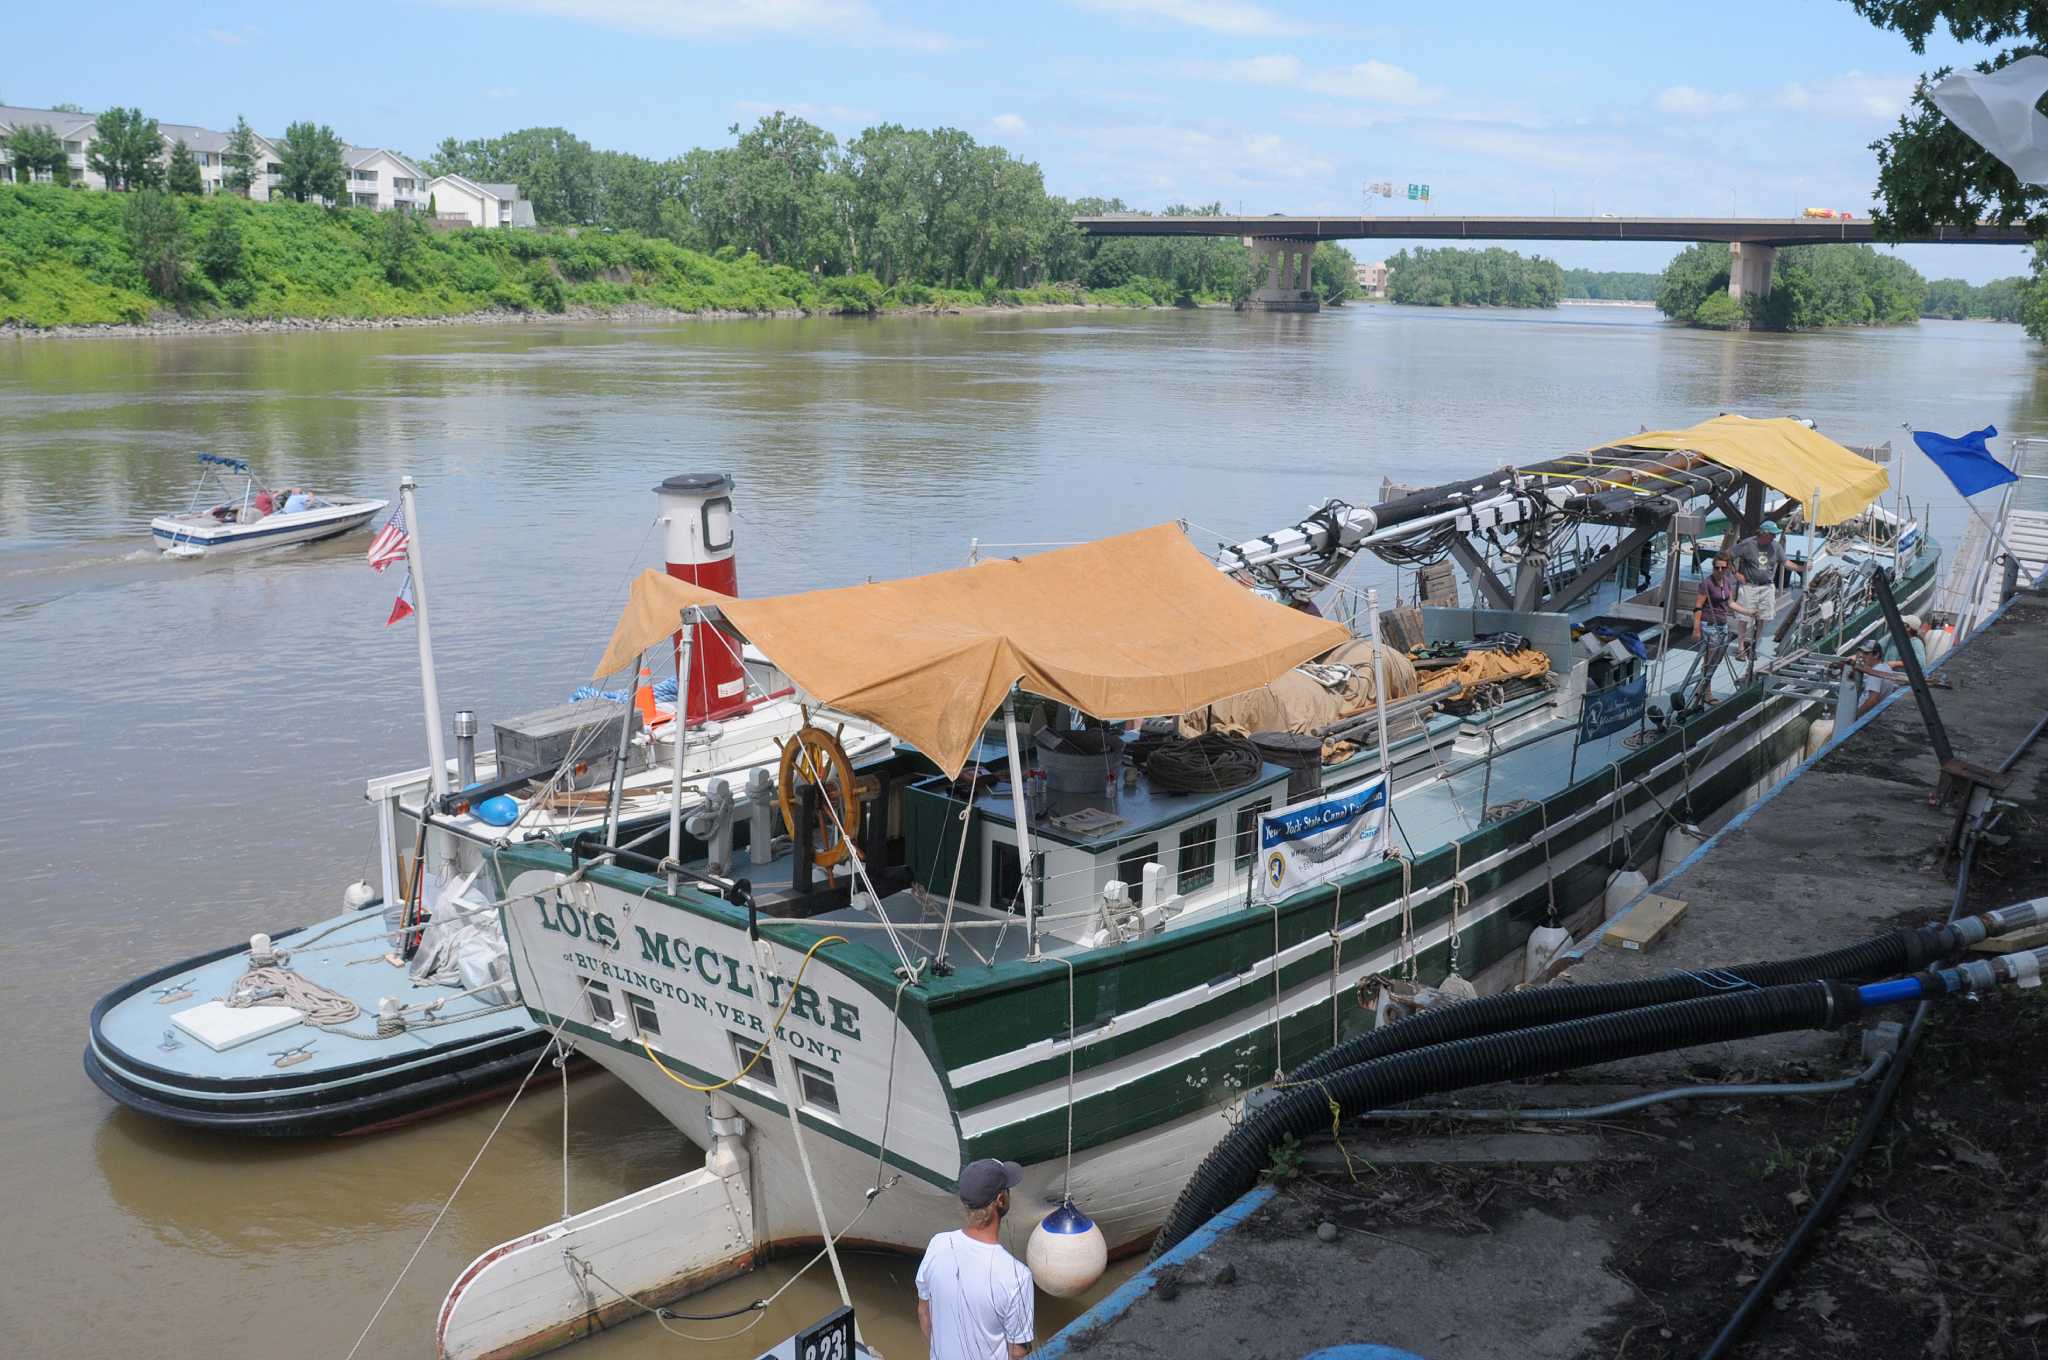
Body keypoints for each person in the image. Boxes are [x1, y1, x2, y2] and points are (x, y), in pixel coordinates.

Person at [916, 1158, 1035, 1360]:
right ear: (1000, 1200)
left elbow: (924, 1313)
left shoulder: (938, 1244)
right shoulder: (1017, 1277)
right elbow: (1018, 1351)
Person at [1690, 553, 1751, 704]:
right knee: (1710, 661)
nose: (1719, 570)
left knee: (1715, 660)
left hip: (1722, 625)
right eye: (1716, 567)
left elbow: (1730, 603)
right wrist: (1696, 629)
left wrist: (1748, 612)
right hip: (1709, 625)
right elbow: (1697, 607)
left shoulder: (1727, 582)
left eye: (1722, 568)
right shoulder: (1707, 583)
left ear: (1727, 568)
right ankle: (1706, 692)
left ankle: (1702, 688)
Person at [1730, 520, 1792, 659]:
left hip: (1767, 587)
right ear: (1764, 534)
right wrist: (1736, 574)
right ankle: (1740, 648)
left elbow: (1785, 562)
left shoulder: (1776, 546)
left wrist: (1802, 568)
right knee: (1744, 618)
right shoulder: (1748, 544)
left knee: (1762, 617)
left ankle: (1753, 646)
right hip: (1749, 586)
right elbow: (1727, 556)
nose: (1774, 537)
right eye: (1772, 534)